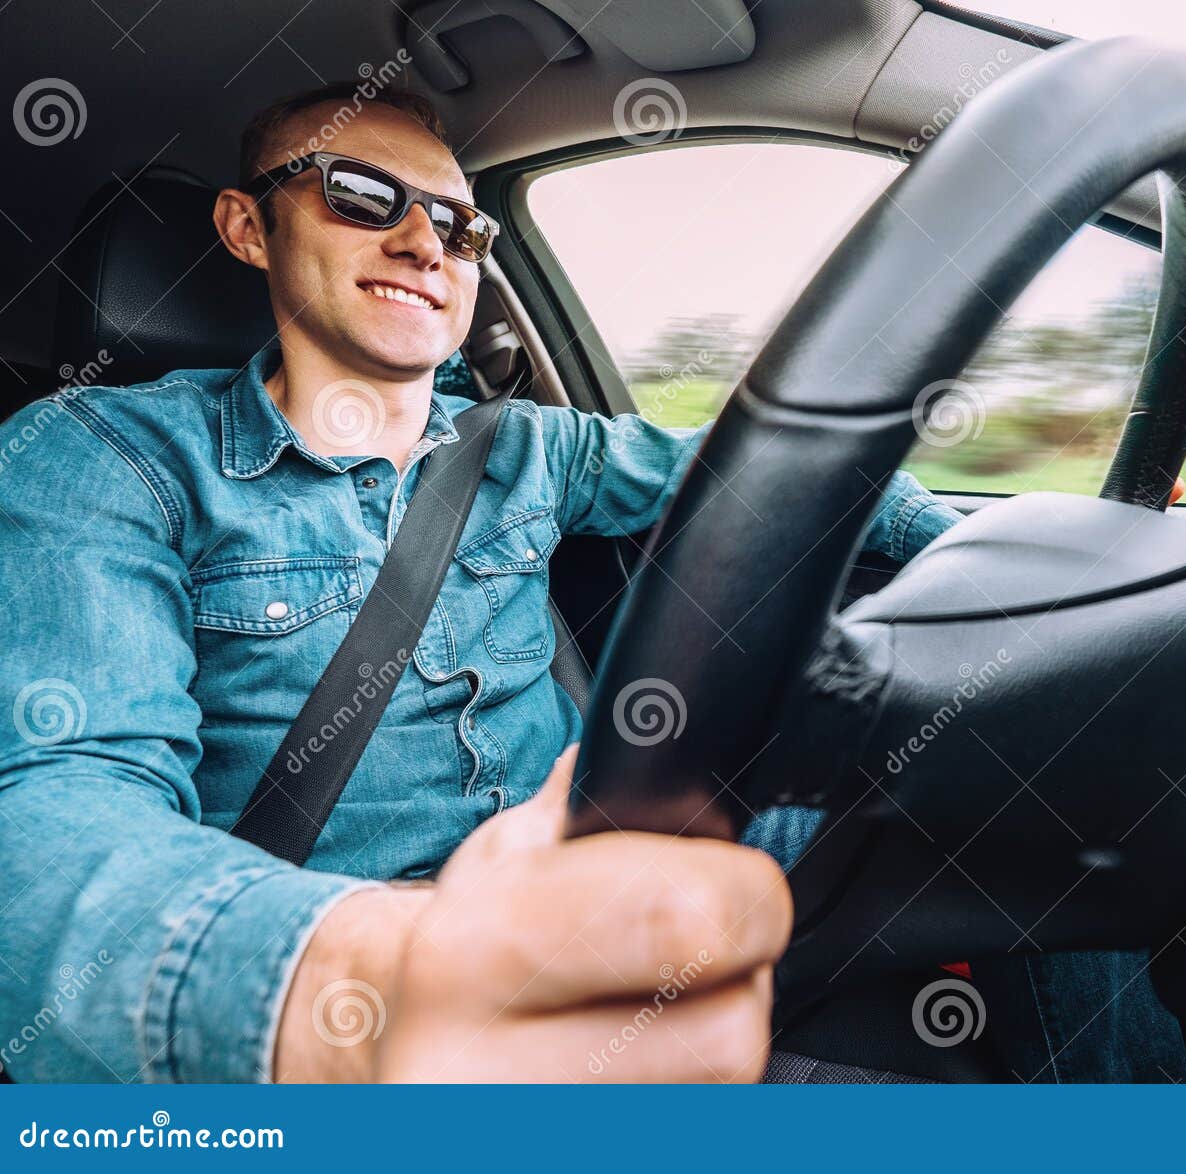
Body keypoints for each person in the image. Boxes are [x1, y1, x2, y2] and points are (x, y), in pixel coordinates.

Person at [0, 84, 961, 1083]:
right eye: (363, 194)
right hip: (349, 957)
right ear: (249, 228)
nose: (426, 243)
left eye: (461, 227)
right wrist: (361, 997)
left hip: (607, 860)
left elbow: (773, 474)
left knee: (1052, 777)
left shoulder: (534, 449)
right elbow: (51, 810)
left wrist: (971, 553)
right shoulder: (103, 455)